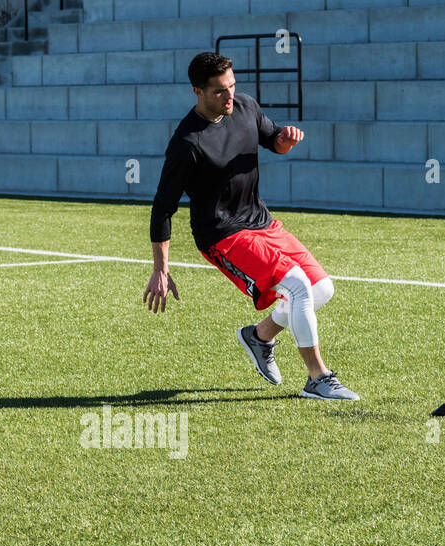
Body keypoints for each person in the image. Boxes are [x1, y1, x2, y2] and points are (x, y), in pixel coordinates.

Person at [142, 51, 358, 401]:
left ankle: (259, 336)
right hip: (223, 234)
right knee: (299, 287)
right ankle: (318, 378)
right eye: (219, 92)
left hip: (261, 221)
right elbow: (162, 208)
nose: (229, 97)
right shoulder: (186, 144)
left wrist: (284, 142)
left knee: (321, 289)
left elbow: (272, 138)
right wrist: (160, 268)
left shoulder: (244, 107)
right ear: (197, 91)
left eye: (232, 86)